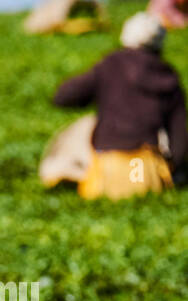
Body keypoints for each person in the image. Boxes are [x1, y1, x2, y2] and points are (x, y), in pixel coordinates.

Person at [45, 12, 187, 198]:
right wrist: (174, 170)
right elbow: (181, 139)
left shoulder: (110, 65)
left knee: (87, 123)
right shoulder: (169, 77)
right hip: (146, 174)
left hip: (107, 173)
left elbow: (63, 97)